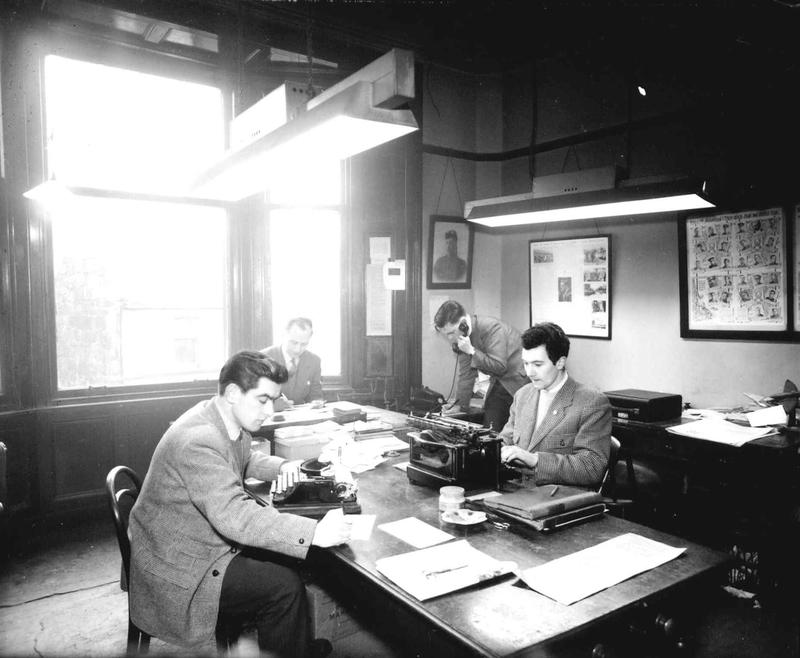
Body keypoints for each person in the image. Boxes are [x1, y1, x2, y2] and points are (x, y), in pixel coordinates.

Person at [128, 351, 351, 656]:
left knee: (288, 558)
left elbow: (243, 457)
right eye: (263, 399)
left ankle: (293, 644)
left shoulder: (217, 417)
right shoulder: (198, 439)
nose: (270, 410)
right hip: (178, 567)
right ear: (233, 393)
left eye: (274, 399)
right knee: (283, 587)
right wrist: (314, 533)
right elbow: (234, 516)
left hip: (188, 543)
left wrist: (288, 468)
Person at [498, 322, 611, 488]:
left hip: (557, 499)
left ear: (560, 362)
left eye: (537, 365)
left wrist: (535, 460)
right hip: (517, 491)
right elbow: (505, 439)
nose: (529, 372)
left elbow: (592, 467)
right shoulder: (522, 395)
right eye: (526, 363)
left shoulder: (591, 402)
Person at [433, 300, 528, 431]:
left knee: (505, 428)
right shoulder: (461, 337)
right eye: (446, 335)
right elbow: (466, 373)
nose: (450, 339)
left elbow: (500, 366)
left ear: (463, 325)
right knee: (490, 427)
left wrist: (471, 351)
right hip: (500, 381)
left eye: (451, 333)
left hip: (519, 381)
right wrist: (459, 405)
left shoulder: (492, 328)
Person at [262, 317, 323, 411]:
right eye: (293, 343)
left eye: (304, 344)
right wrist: (272, 405)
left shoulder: (314, 361)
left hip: (301, 420)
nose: (298, 349)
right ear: (283, 335)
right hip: (269, 418)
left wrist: (316, 402)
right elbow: (253, 398)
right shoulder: (263, 358)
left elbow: (316, 394)